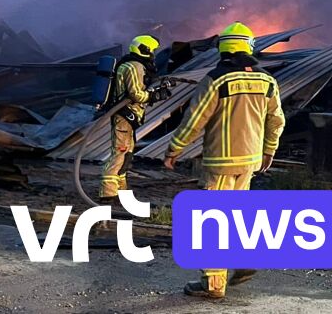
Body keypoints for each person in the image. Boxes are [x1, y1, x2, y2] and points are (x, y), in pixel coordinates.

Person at [163, 21, 285, 299]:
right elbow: (276, 120)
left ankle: (214, 284)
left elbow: (195, 120)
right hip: (251, 161)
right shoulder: (267, 80)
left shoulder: (217, 80)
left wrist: (174, 150)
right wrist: (269, 150)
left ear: (223, 49)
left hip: (220, 162)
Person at [98, 34, 161, 201]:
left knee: (127, 153)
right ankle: (108, 192)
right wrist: (154, 96)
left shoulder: (134, 64)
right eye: (152, 50)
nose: (153, 54)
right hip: (125, 114)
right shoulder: (134, 66)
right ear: (145, 50)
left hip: (130, 115)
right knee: (120, 151)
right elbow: (136, 94)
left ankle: (121, 189)